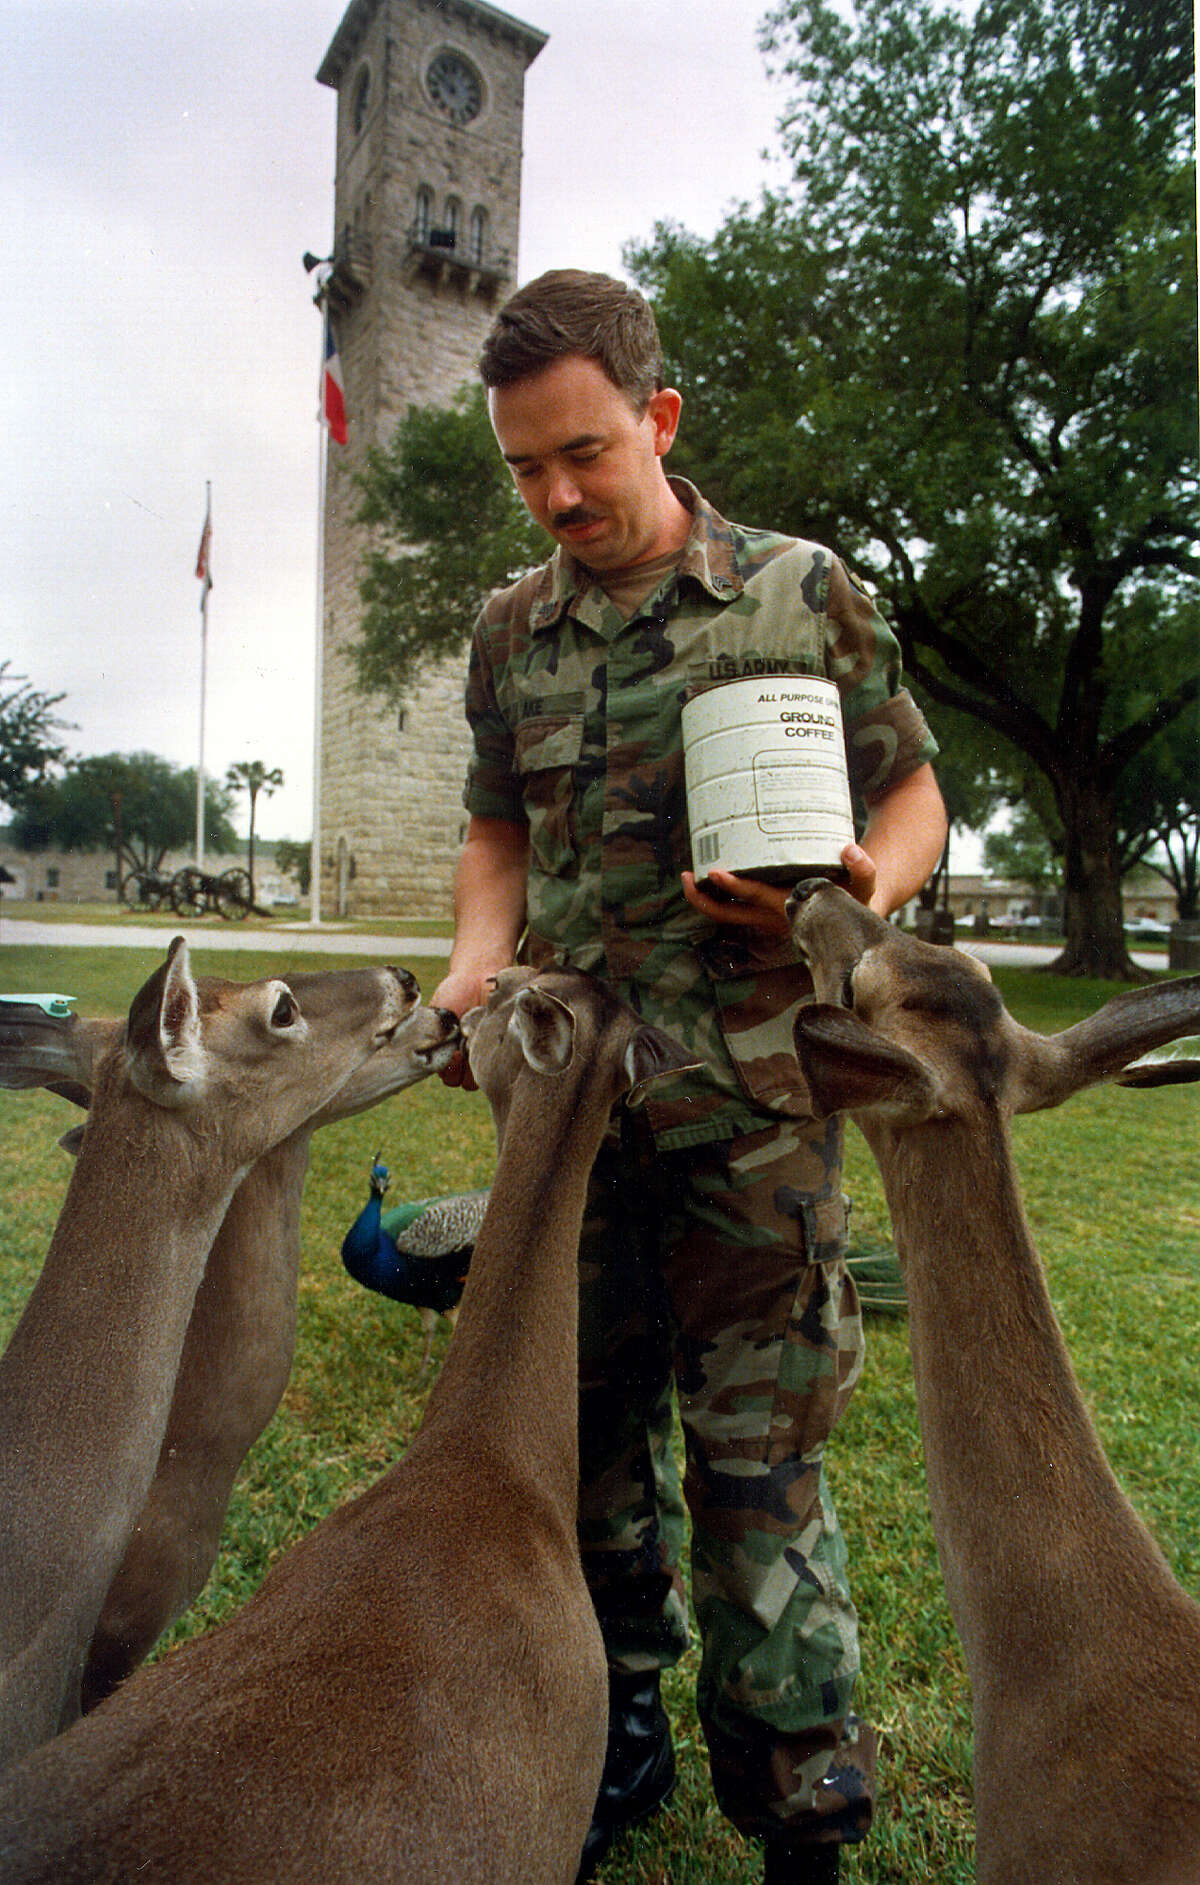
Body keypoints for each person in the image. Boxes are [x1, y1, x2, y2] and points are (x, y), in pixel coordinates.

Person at [433, 271, 946, 1885]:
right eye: (525, 467)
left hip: (752, 1118)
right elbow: (498, 832)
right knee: (582, 1458)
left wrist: (866, 894)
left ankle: (800, 1809)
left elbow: (917, 791)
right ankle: (612, 1748)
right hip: (571, 1118)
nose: (559, 494)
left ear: (658, 418)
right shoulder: (511, 628)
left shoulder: (801, 596)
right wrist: (470, 960)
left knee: (757, 1469)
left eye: (583, 451)